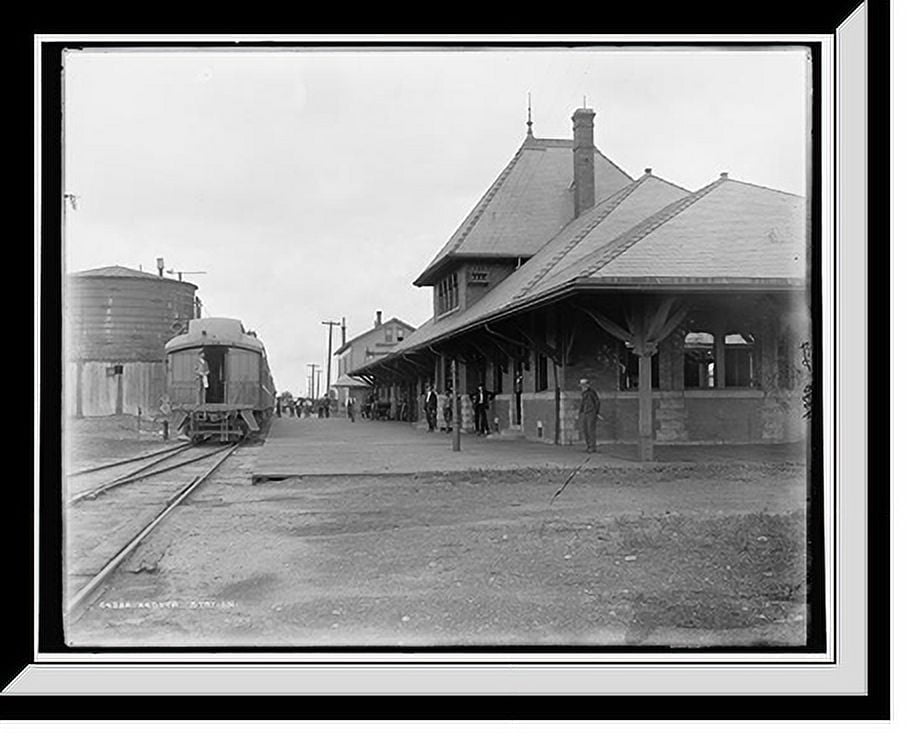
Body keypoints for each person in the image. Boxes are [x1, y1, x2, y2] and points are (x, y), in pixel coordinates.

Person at [578, 378, 601, 453]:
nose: (582, 387)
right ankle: (588, 446)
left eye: (584, 386)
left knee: (590, 430)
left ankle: (592, 447)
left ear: (587, 385)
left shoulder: (591, 393)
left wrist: (596, 412)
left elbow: (597, 402)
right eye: (582, 386)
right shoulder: (583, 393)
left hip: (591, 413)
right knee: (585, 430)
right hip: (585, 413)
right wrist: (580, 411)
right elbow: (582, 404)